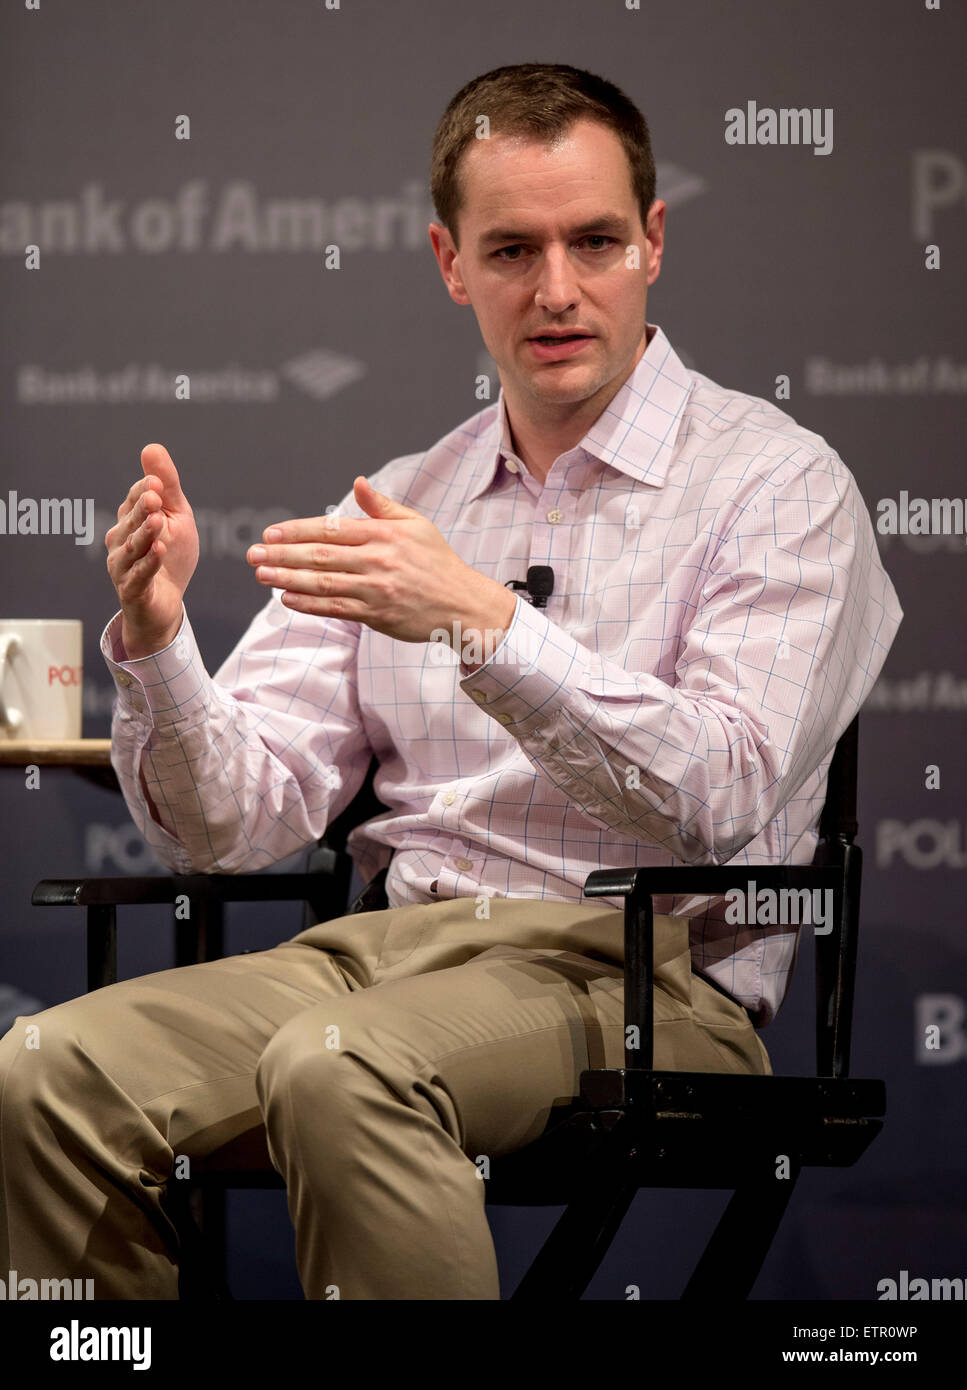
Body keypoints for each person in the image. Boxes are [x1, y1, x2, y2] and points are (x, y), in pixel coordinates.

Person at [0, 62, 902, 1301]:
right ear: (448, 261)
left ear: (651, 242)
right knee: (43, 1068)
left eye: (593, 241)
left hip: (647, 978)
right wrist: (159, 645)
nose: (556, 289)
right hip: (382, 953)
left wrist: (481, 619)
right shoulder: (405, 498)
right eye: (511, 249)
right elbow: (229, 827)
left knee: (337, 1064)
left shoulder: (779, 485)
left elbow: (721, 790)